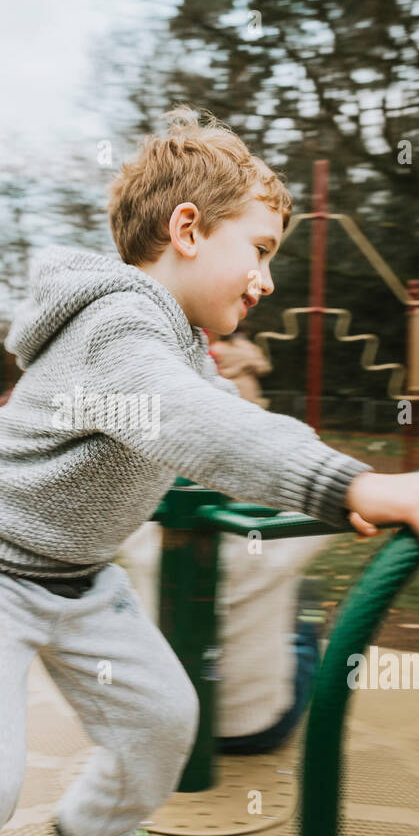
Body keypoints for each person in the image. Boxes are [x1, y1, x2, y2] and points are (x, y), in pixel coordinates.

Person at [0, 107, 419, 836]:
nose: (265, 281)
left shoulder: (182, 348)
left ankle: (90, 834)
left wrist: (320, 473)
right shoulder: (116, 326)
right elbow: (195, 422)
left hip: (83, 580)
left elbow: (220, 417)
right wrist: (352, 485)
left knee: (163, 725)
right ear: (189, 230)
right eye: (259, 251)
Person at [117, 323, 328, 756]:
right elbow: (327, 493)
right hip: (253, 731)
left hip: (160, 731)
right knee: (306, 612)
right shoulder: (277, 541)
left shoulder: (140, 529)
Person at [209, 328, 271, 409]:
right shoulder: (249, 347)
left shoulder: (214, 347)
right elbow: (264, 368)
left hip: (222, 390)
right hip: (245, 391)